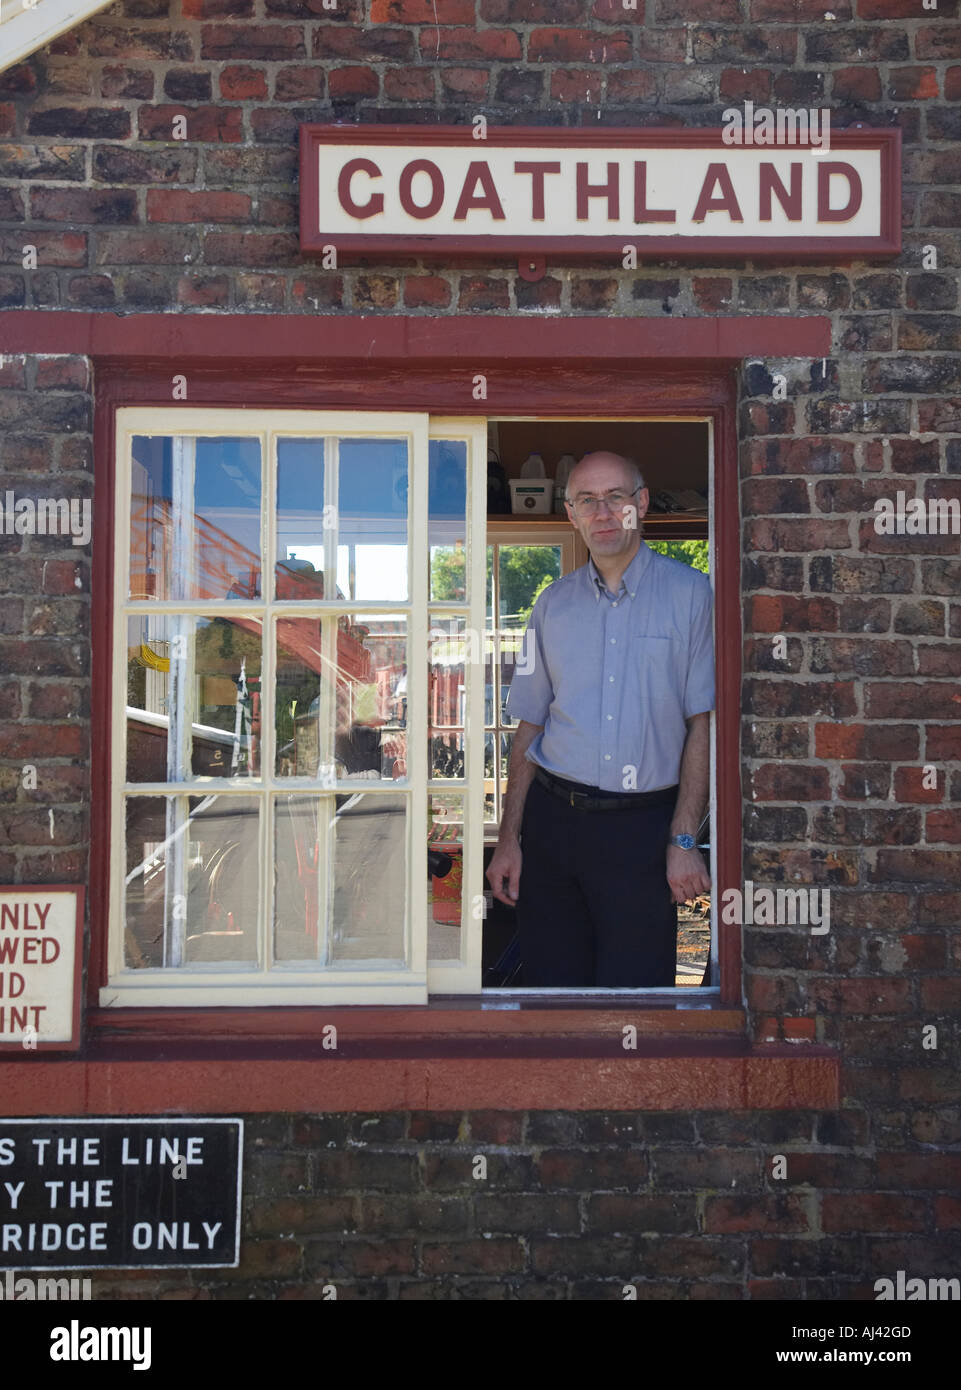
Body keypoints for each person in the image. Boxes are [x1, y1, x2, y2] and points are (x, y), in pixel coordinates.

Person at [485, 451, 715, 988]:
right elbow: (529, 727)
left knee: (642, 991)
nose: (603, 511)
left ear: (641, 504)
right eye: (587, 500)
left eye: (616, 497)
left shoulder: (692, 595)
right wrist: (510, 838)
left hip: (644, 832)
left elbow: (703, 724)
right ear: (571, 514)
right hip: (553, 827)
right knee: (553, 990)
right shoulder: (551, 606)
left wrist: (684, 841)